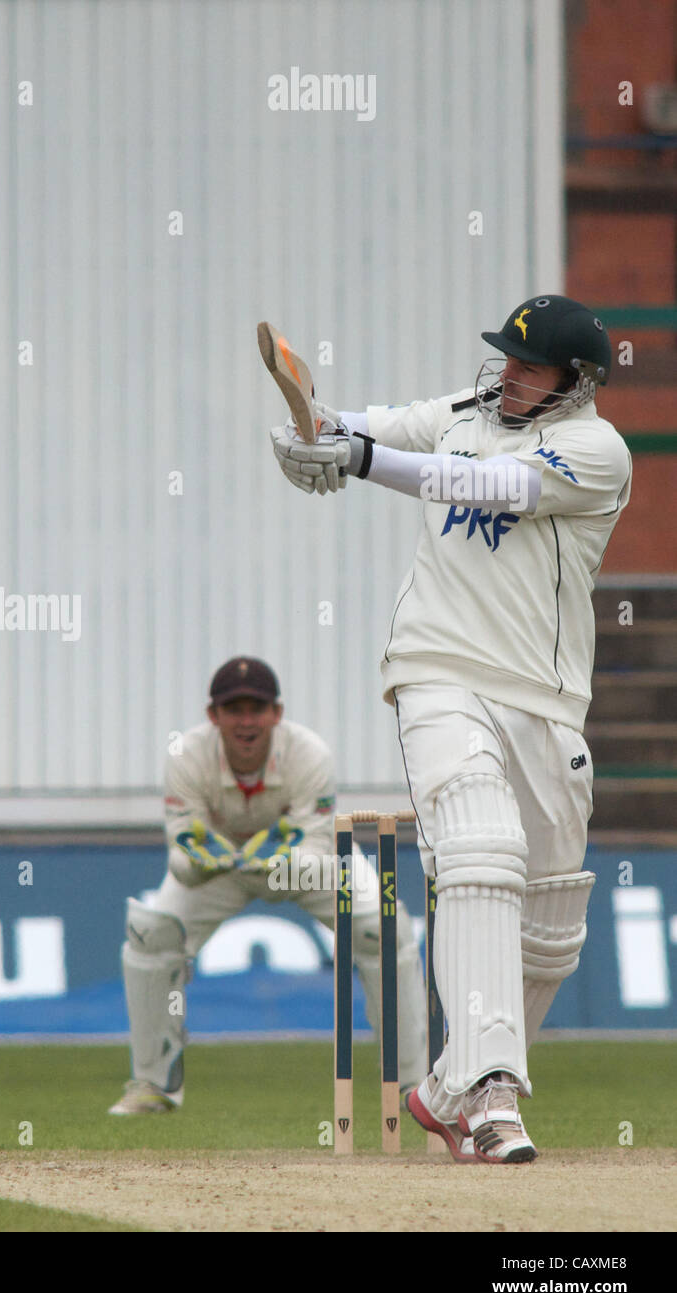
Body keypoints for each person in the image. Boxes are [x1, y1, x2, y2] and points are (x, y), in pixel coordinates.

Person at [269, 294, 630, 1162]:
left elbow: (482, 485)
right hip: (436, 670)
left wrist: (357, 459)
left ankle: (442, 1089)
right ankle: (494, 1094)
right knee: (478, 847)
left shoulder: (598, 451)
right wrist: (314, 439)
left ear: (574, 384)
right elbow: (361, 424)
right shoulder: (463, 415)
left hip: (543, 697)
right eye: (505, 357)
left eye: (529, 366)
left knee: (548, 929)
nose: (507, 375)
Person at [108, 655, 428, 1115]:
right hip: (224, 869)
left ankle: (414, 1087)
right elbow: (181, 855)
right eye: (233, 709)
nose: (245, 721)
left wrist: (273, 857)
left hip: (302, 865)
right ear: (212, 716)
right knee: (151, 934)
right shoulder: (186, 756)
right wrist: (201, 860)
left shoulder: (309, 753)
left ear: (276, 714)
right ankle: (153, 1086)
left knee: (384, 929)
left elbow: (317, 847)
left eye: (256, 709)